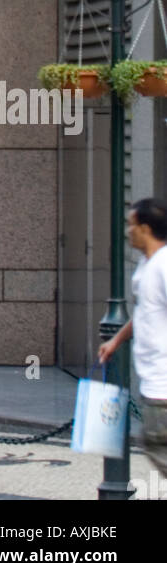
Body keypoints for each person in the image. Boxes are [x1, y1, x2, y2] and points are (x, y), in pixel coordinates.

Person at [98, 197, 167, 481]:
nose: (128, 231)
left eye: (132, 225)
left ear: (145, 228)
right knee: (154, 443)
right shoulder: (145, 265)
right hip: (155, 386)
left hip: (164, 386)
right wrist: (116, 341)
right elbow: (144, 312)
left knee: (156, 443)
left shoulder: (163, 266)